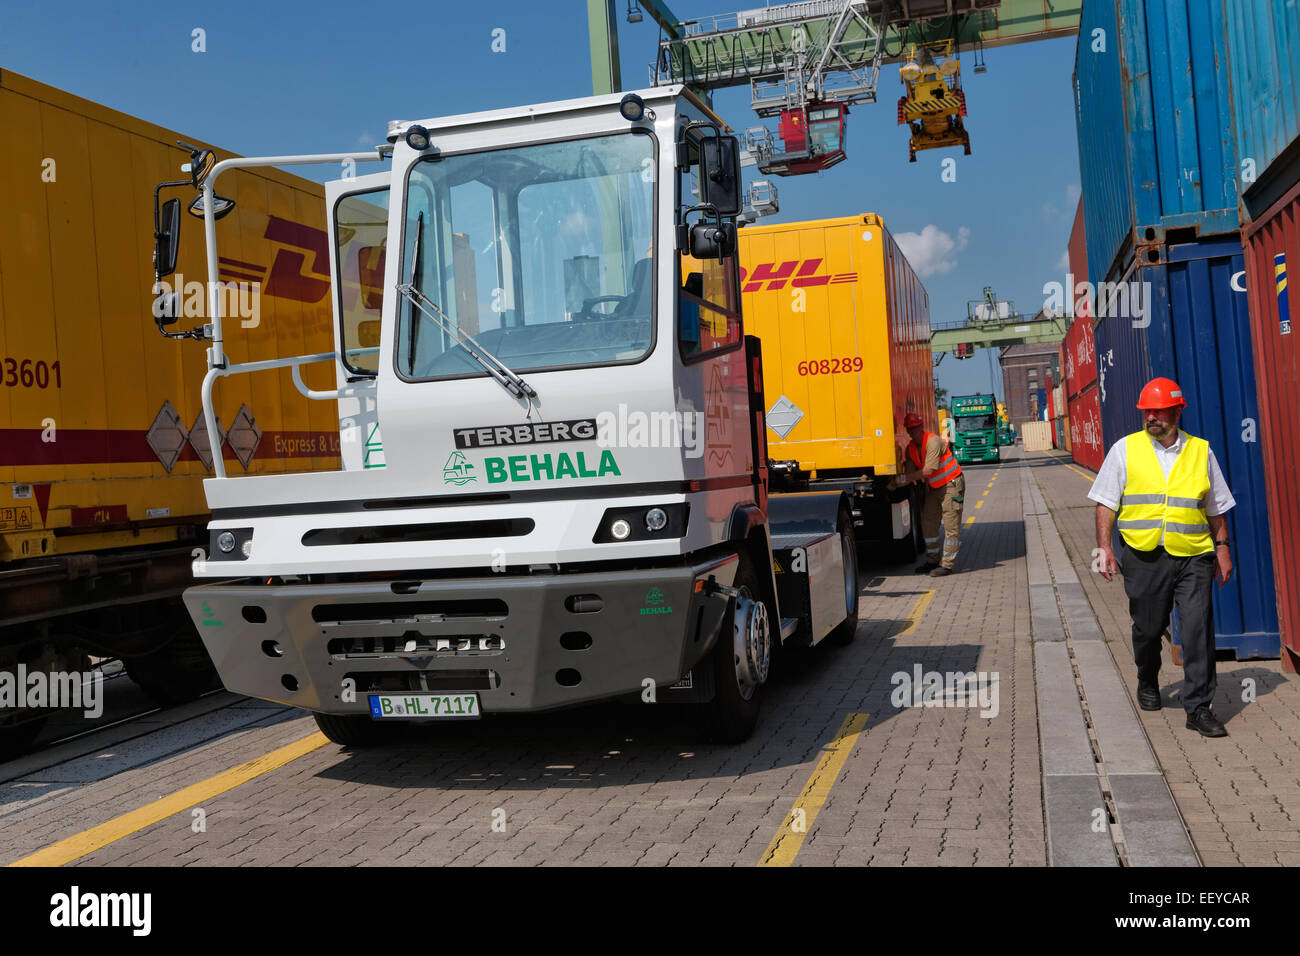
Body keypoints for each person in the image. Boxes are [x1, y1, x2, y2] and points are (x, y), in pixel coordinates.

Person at [1087, 377, 1235, 738]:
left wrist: (1223, 548)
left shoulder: (1202, 451)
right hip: (1143, 555)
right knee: (1149, 630)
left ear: (1177, 411)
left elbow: (1215, 506)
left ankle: (1198, 707)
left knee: (1198, 628)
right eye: (1146, 411)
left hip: (1193, 556)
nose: (1151, 417)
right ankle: (1147, 678)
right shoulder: (1125, 450)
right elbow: (1107, 501)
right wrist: (1105, 547)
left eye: (1159, 411)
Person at [899, 411, 964, 577]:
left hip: (951, 484)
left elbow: (928, 470)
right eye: (910, 428)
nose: (913, 431)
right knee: (928, 523)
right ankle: (933, 560)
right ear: (907, 430)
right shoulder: (910, 449)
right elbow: (911, 474)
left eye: (916, 427)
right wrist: (899, 479)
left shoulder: (933, 441)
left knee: (951, 525)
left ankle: (947, 565)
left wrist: (904, 479)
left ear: (921, 426)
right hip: (934, 488)